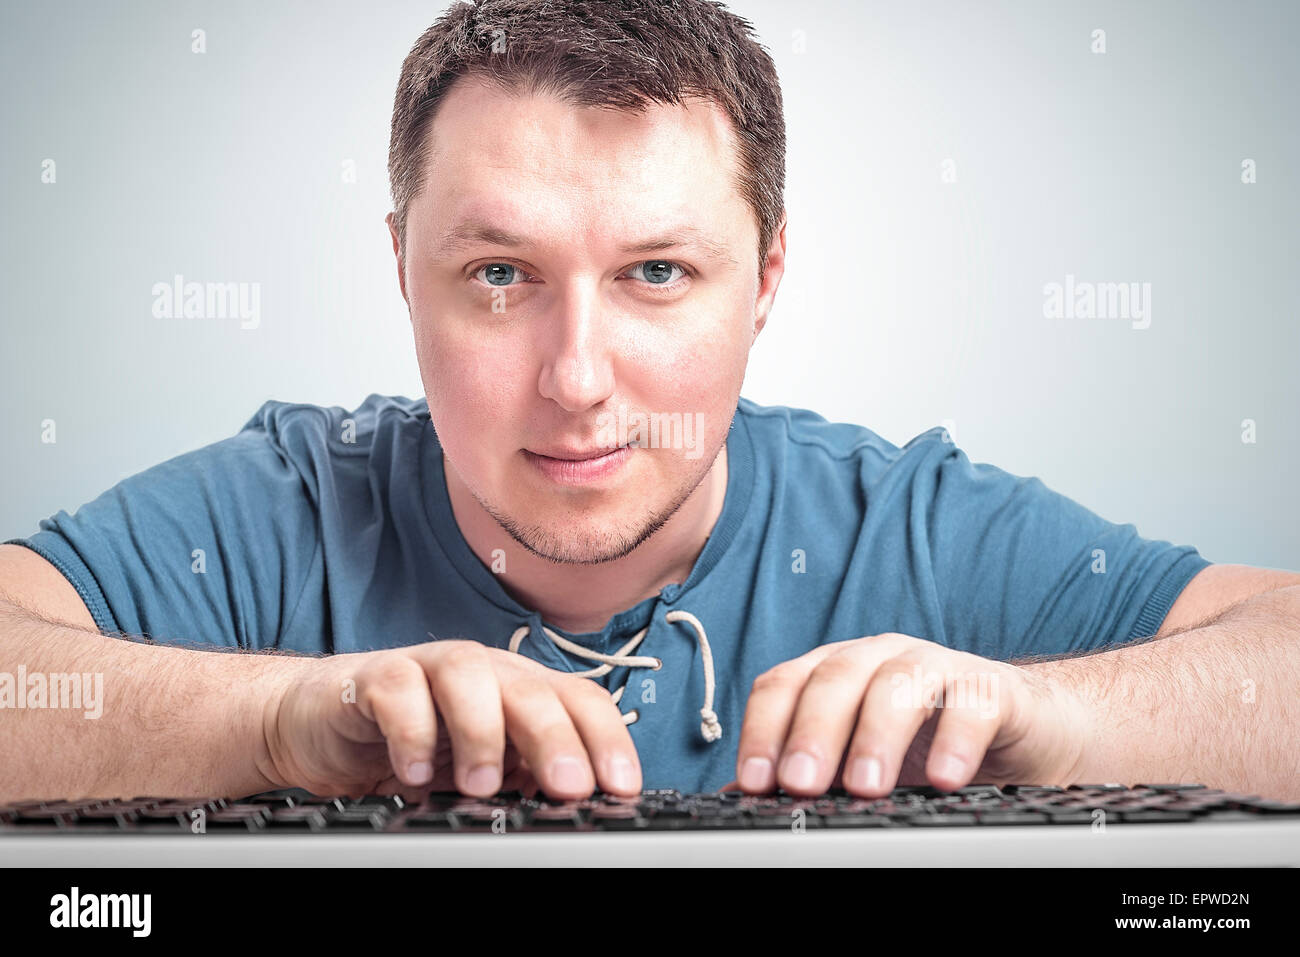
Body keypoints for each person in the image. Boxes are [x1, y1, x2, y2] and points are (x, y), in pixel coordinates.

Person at [3, 0, 1298, 805]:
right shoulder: (276, 510)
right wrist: (276, 722)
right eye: (500, 273)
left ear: (766, 277)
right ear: (403, 268)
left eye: (658, 273)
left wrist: (1057, 716)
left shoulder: (905, 527)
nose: (576, 379)